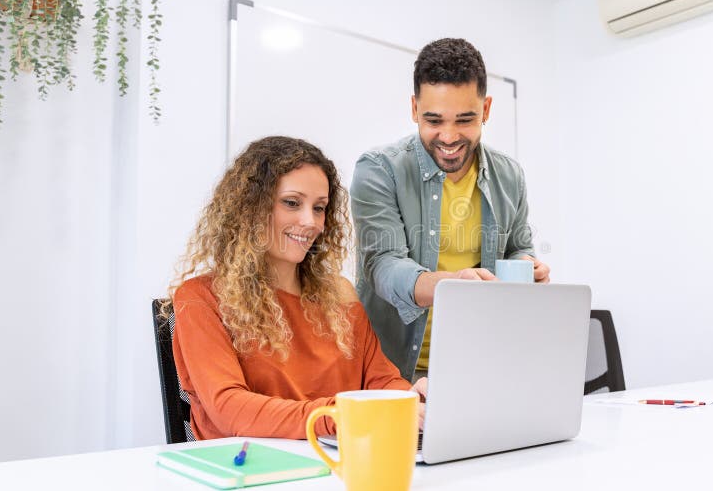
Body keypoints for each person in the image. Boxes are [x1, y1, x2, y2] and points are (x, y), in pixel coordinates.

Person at [164, 136, 426, 440]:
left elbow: (381, 381)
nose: (311, 221)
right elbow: (229, 410)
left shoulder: (339, 295)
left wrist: (408, 399)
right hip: (251, 472)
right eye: (292, 203)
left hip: (337, 463)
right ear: (249, 208)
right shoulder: (200, 298)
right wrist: (339, 415)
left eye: (319, 208)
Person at [350, 38, 551, 382]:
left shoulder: (510, 176)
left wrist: (525, 267)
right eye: (433, 120)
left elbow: (519, 247)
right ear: (414, 108)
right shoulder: (379, 170)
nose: (448, 136)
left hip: (474, 365)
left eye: (464, 120)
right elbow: (383, 267)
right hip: (391, 373)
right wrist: (452, 285)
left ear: (486, 110)